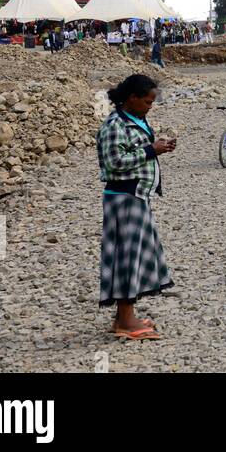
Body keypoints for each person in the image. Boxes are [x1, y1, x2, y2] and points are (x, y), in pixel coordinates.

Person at [97, 74, 176, 341]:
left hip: (137, 197)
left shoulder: (134, 119)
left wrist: (158, 147)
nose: (150, 106)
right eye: (147, 101)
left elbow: (137, 150)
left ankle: (124, 316)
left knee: (136, 256)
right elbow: (114, 162)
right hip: (123, 199)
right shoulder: (114, 125)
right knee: (127, 259)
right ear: (131, 98)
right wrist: (151, 150)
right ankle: (126, 321)